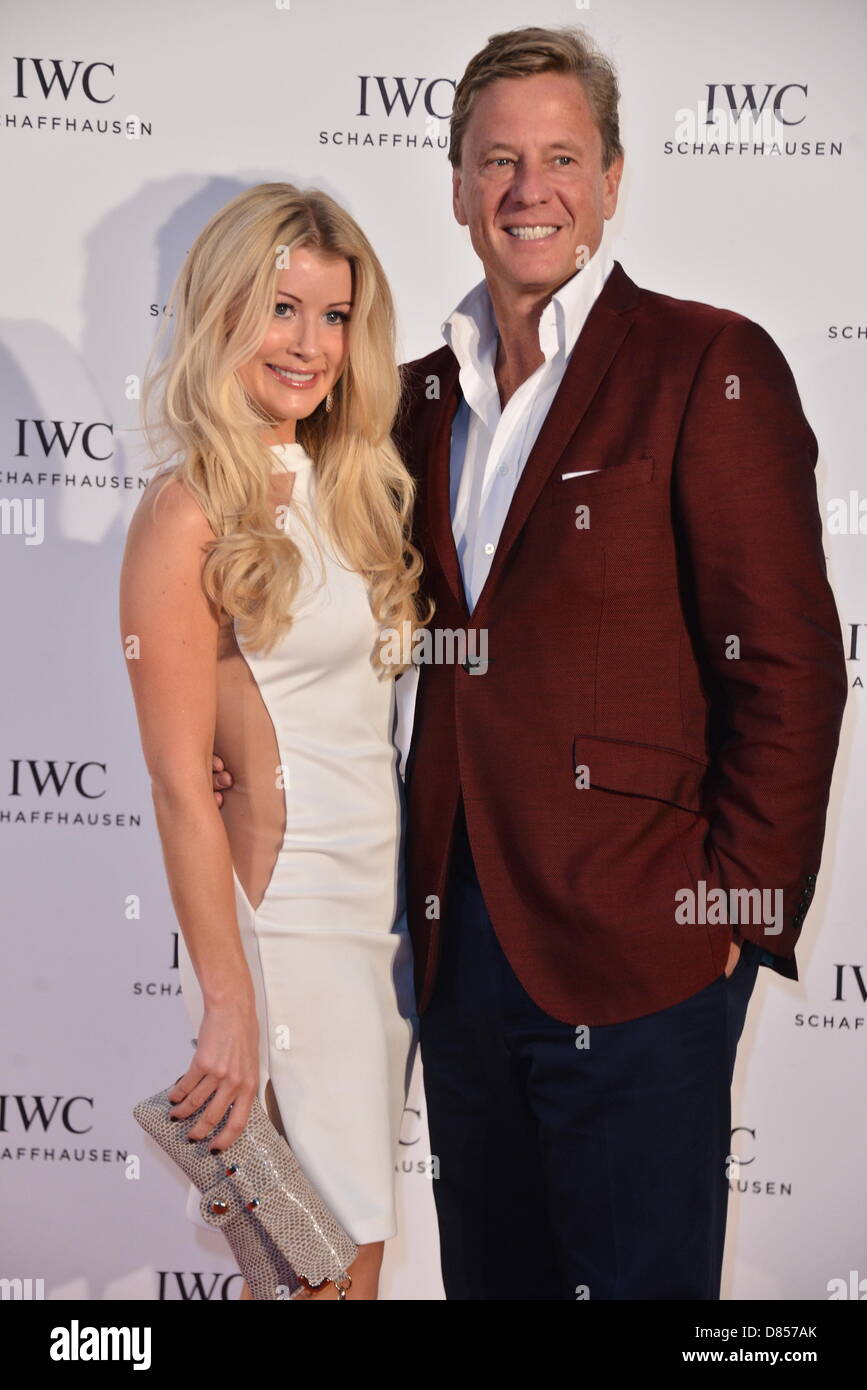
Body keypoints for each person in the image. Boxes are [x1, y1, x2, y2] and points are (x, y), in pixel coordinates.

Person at [213, 27, 847, 1300]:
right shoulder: (407, 399)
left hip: (643, 945)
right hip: (453, 947)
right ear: (455, 185)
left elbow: (788, 665)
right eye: (497, 160)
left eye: (562, 157)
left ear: (613, 179)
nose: (528, 189)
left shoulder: (704, 364)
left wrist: (730, 915)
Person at [120, 183, 430, 1300]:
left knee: (341, 1267)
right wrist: (230, 997)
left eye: (334, 315)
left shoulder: (350, 489)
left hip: (373, 925)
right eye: (281, 308)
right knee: (319, 1272)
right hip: (287, 923)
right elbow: (174, 777)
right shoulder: (188, 507)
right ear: (220, 315)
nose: (310, 344)